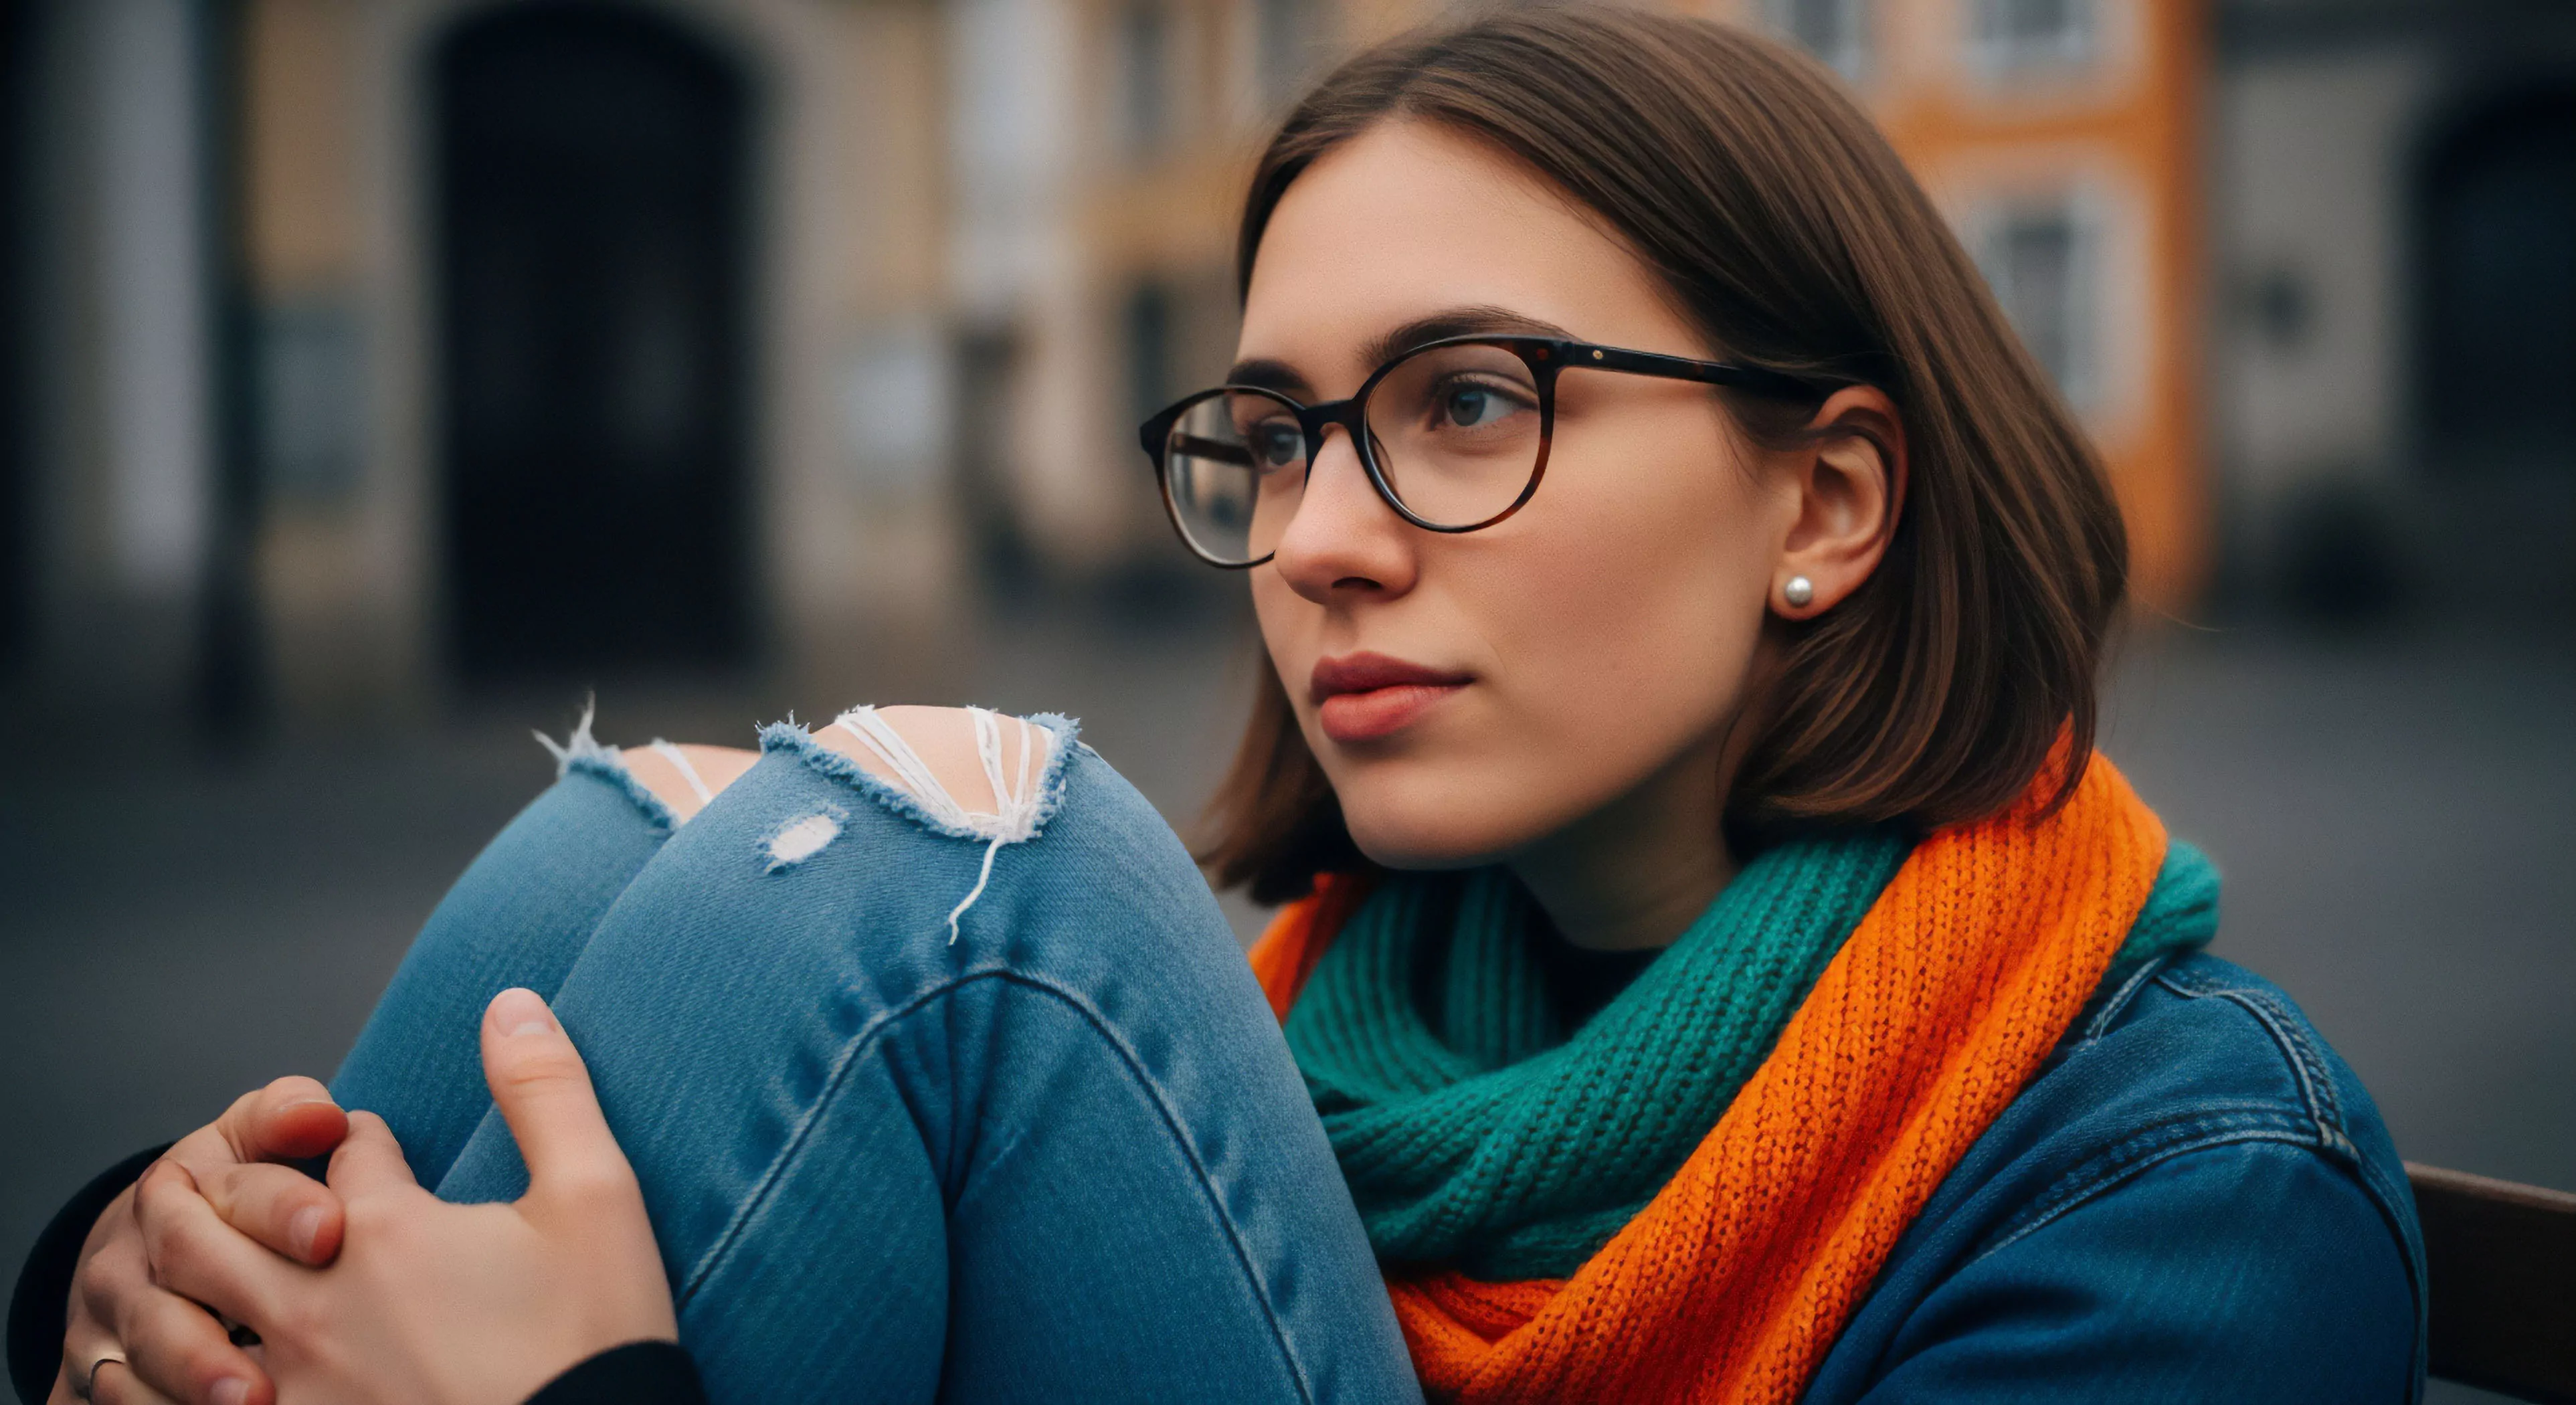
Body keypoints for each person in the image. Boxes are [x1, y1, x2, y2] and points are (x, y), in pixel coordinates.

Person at [11, 9, 2424, 1405]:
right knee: (636, 840)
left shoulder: (2191, 1197)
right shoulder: (1272, 1028)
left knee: (972, 877)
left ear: (1831, 499)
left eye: (1469, 400)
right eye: (1270, 433)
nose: (1319, 533)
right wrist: (168, 1267)